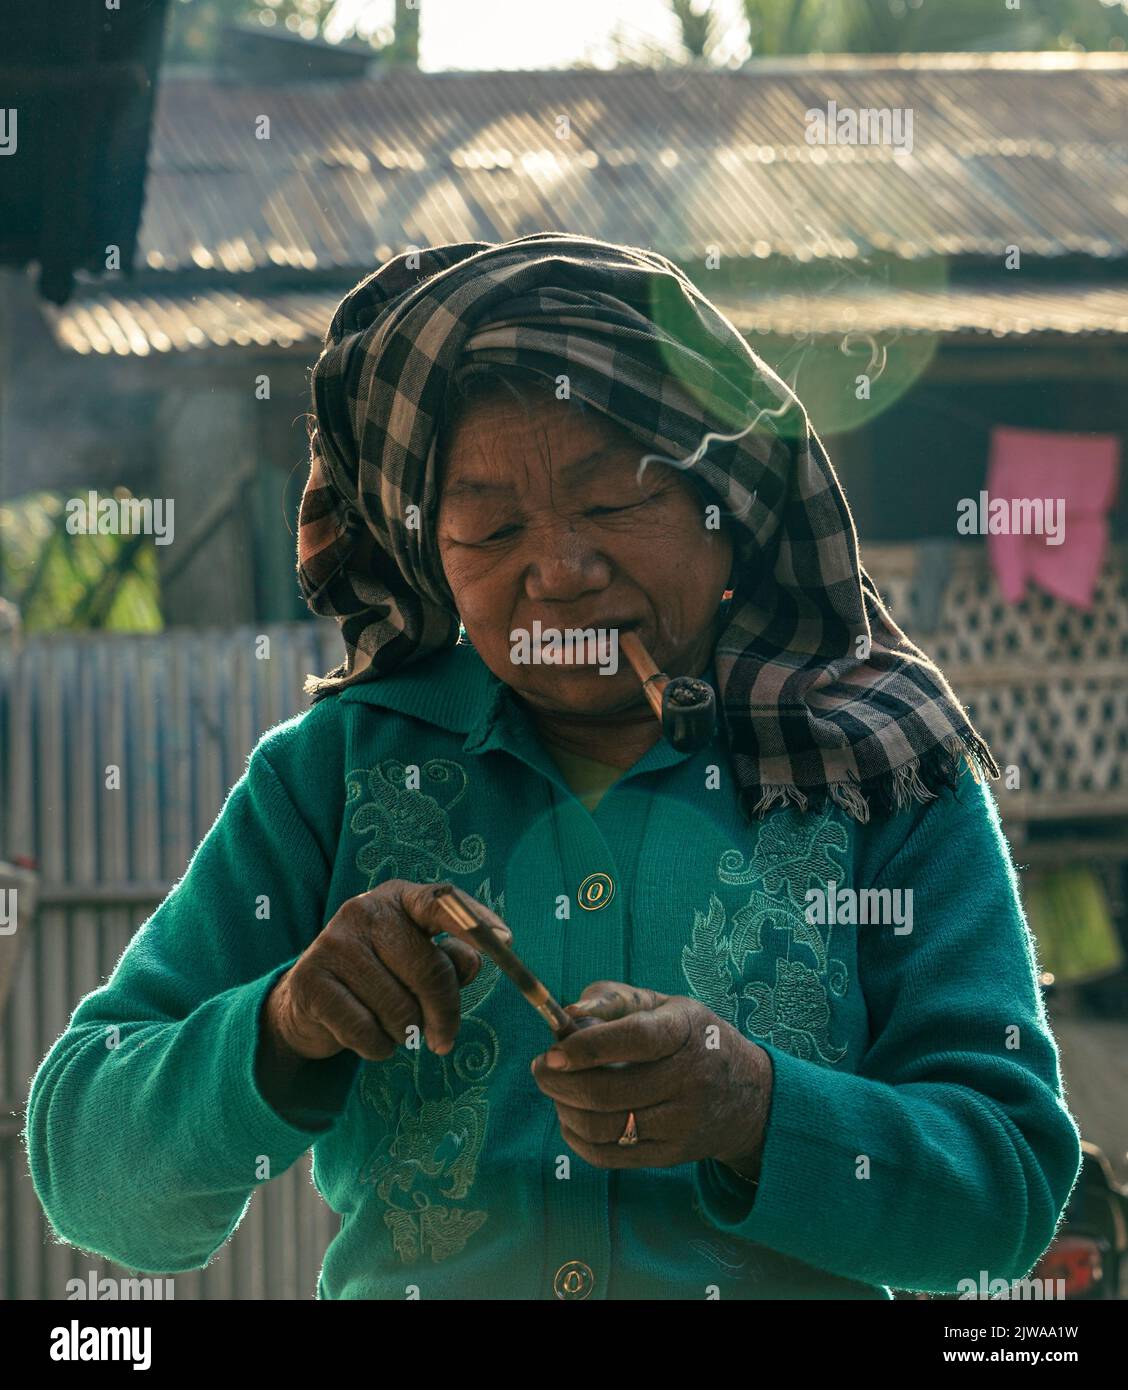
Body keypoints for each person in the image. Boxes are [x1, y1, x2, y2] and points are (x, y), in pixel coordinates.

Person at [25, 233, 1082, 1300]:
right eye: (490, 527)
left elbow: (1011, 1193)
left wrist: (755, 1106)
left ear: (734, 509)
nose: (562, 573)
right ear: (428, 553)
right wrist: (286, 1024)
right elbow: (86, 1174)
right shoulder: (332, 777)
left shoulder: (882, 766)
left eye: (618, 504)